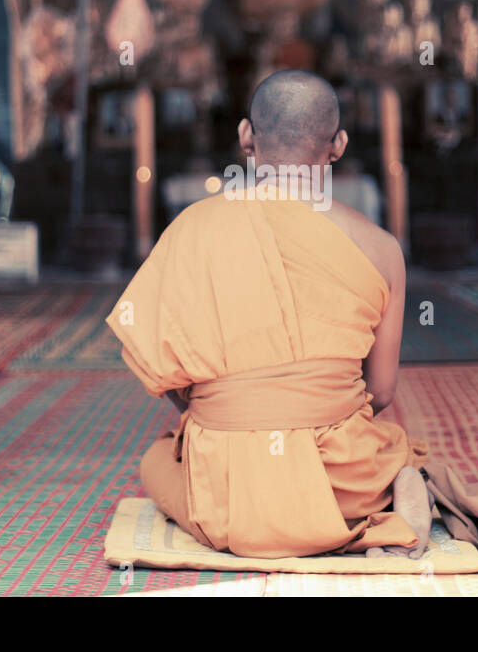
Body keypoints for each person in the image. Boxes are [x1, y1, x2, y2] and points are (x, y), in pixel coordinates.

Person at [105, 69, 431, 559]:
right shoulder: (381, 248)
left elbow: (165, 368)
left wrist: (234, 412)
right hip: (339, 481)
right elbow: (381, 391)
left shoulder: (194, 227)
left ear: (245, 137)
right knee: (396, 451)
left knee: (160, 459)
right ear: (338, 144)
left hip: (226, 495)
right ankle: (395, 500)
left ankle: (254, 487)